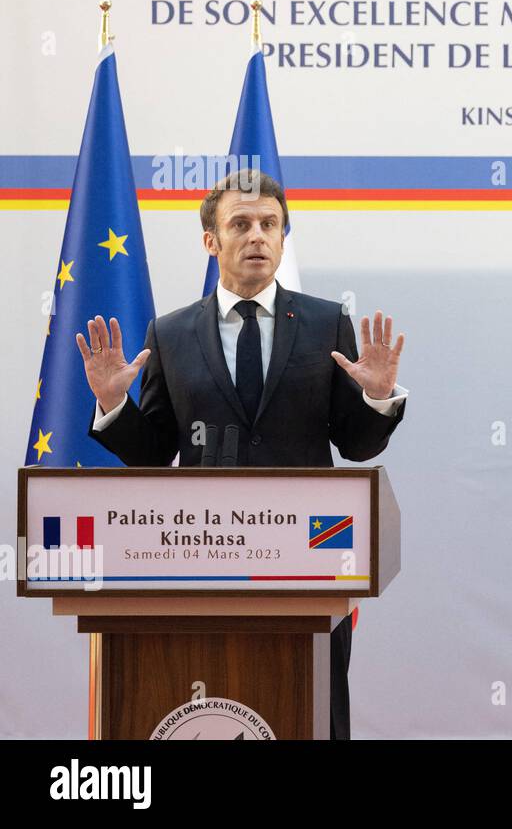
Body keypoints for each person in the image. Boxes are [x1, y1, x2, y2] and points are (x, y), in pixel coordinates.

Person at [76, 168, 408, 740]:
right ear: (212, 240)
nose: (257, 235)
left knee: (314, 711)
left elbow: (356, 446)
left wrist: (376, 397)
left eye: (270, 224)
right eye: (241, 224)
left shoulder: (327, 322)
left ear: (283, 237)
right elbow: (154, 454)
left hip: (311, 564)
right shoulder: (171, 333)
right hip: (201, 566)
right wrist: (114, 405)